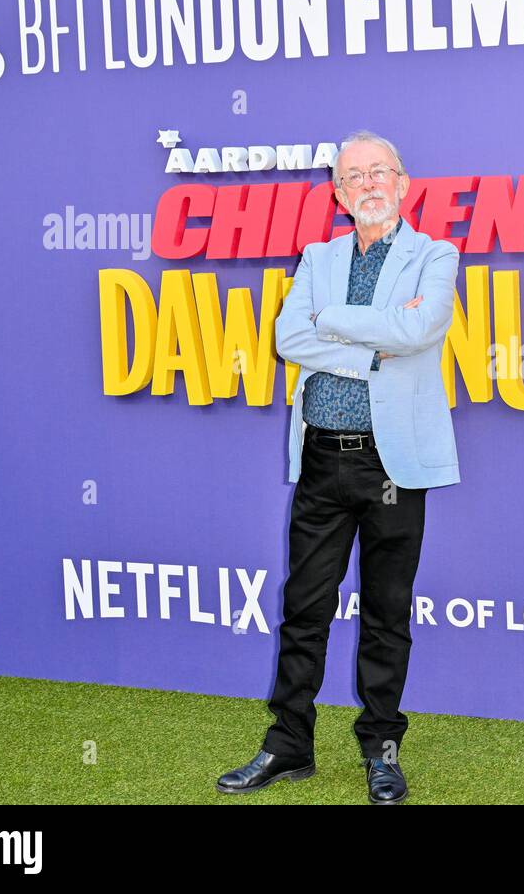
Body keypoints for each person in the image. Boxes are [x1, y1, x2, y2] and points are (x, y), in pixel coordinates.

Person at [216, 129, 461, 804]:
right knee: (304, 607)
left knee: (387, 612)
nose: (369, 183)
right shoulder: (318, 255)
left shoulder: (435, 255)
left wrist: (333, 322)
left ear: (404, 183)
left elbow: (420, 330)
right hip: (324, 455)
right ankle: (288, 744)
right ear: (339, 193)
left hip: (393, 462)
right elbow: (289, 336)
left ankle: (382, 750)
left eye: (381, 171)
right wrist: (369, 342)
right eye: (354, 176)